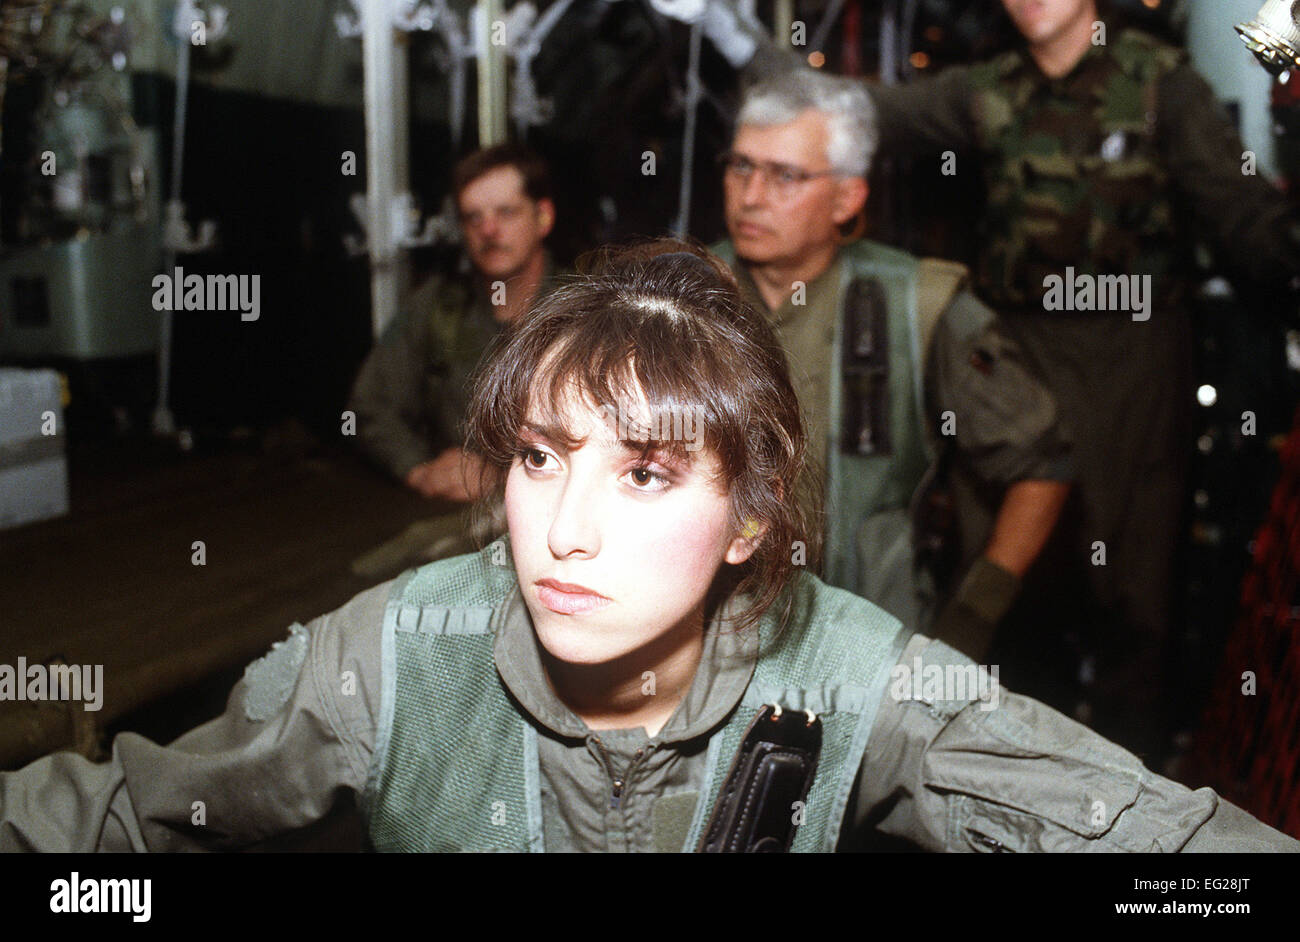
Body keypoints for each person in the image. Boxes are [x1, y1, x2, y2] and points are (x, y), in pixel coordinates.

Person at [2, 239, 1292, 853]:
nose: (560, 530)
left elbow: (1165, 852)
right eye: (539, 457)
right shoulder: (389, 655)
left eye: (645, 471)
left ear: (748, 515)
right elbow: (115, 831)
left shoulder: (859, 679)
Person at [859, 0, 1300, 760]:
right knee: (1002, 583)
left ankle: (1132, 809)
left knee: (1135, 592)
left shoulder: (1162, 84)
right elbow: (860, 110)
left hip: (1131, 360)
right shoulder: (986, 87)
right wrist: (736, 44)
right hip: (1015, 355)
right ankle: (1007, 784)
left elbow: (1246, 219)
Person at [711, 68, 1071, 653]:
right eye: (741, 166)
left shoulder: (916, 304)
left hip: (873, 656)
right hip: (706, 652)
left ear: (848, 196)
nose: (751, 196)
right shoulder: (676, 298)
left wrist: (972, 618)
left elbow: (1042, 461)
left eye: (785, 175)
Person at [348, 143, 559, 503]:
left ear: (543, 217)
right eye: (473, 218)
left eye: (506, 213)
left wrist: (508, 477)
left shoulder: (587, 312)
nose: (488, 230)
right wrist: (419, 469)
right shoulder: (438, 306)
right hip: (452, 515)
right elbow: (371, 405)